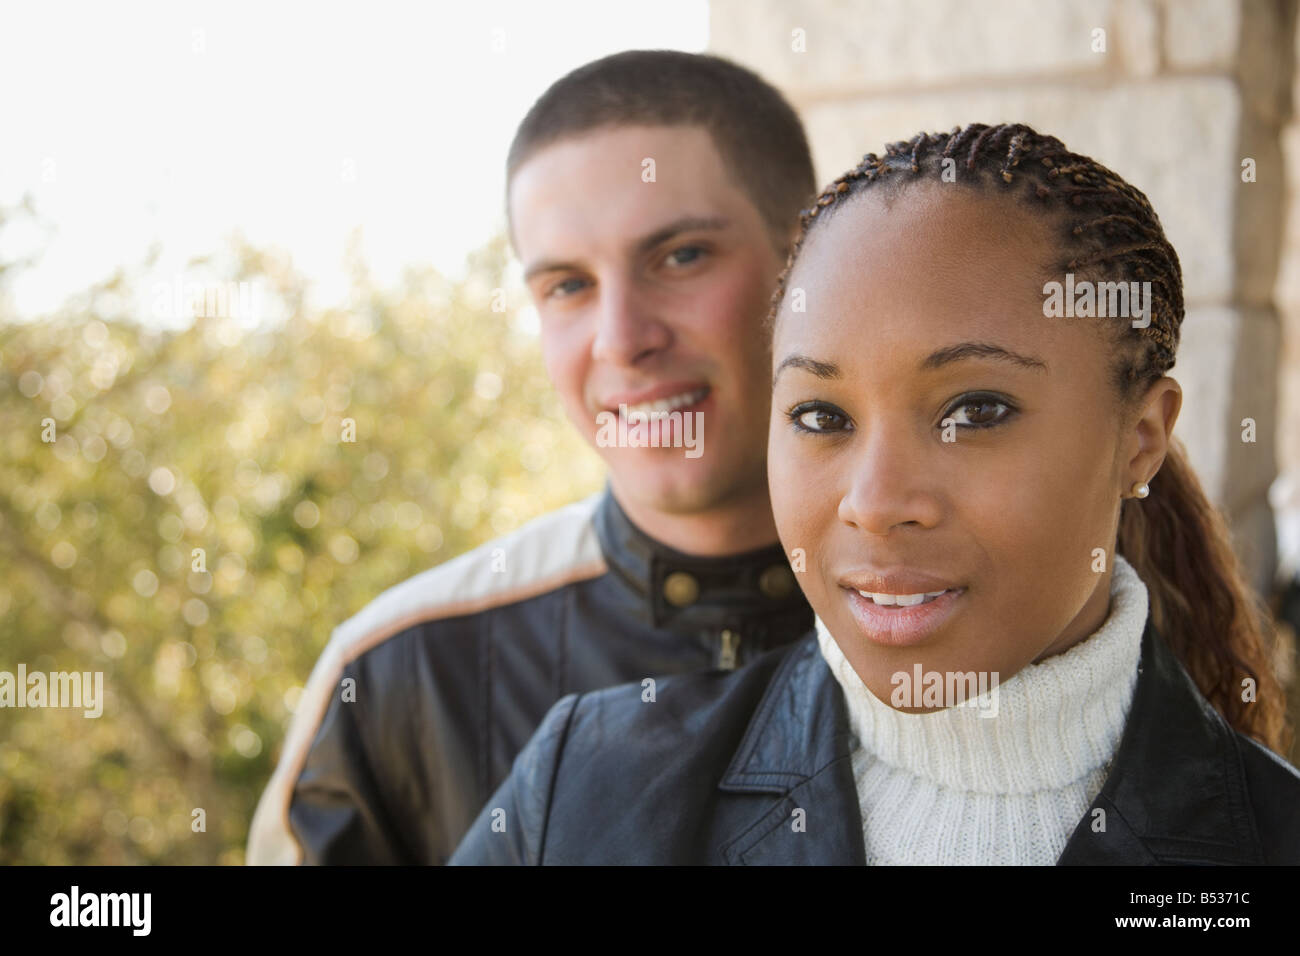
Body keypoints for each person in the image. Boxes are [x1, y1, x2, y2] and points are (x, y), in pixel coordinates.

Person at [450, 123, 1300, 865]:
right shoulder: (584, 793)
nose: (877, 500)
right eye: (821, 415)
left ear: (1140, 440)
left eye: (976, 410)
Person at [245, 50, 819, 865]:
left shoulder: (963, 619)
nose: (622, 339)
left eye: (681, 255)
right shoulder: (396, 677)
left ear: (807, 263)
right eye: (567, 286)